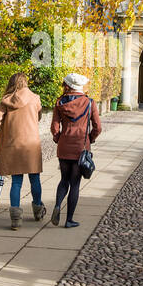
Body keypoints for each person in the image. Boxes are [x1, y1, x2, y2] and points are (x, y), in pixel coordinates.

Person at [0, 72, 44, 230]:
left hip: (13, 146)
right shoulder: (35, 98)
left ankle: (15, 220)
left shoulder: (6, 100)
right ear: (25, 83)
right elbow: (38, 117)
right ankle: (38, 211)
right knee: (35, 179)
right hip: (31, 145)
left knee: (16, 182)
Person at [50, 72, 102, 228]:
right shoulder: (89, 102)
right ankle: (69, 220)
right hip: (81, 147)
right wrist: (90, 139)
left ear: (68, 86)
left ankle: (58, 205)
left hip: (64, 145)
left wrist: (58, 138)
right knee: (75, 183)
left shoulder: (60, 102)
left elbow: (54, 127)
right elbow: (98, 127)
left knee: (63, 180)